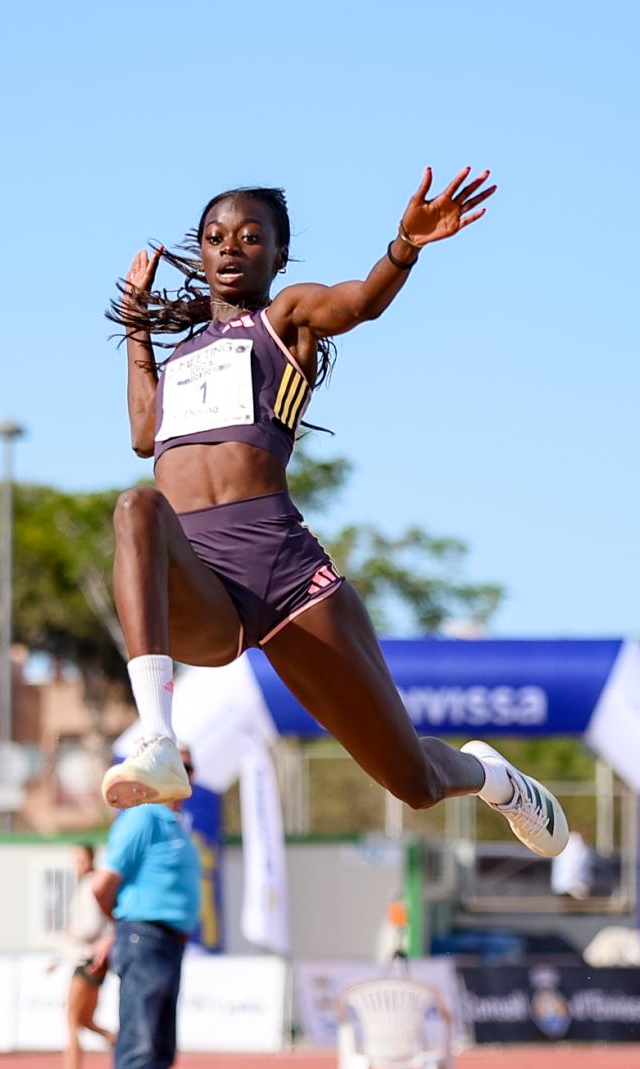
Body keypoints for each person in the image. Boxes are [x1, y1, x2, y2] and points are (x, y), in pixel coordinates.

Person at [99, 174, 566, 862]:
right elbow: (145, 434)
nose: (232, 248)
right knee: (138, 505)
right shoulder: (180, 359)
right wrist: (138, 329)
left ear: (279, 256)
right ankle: (157, 739)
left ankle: (494, 777)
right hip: (203, 585)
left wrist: (405, 245)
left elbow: (360, 303)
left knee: (415, 780)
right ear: (199, 253)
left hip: (286, 581)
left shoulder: (285, 317)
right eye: (216, 238)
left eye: (252, 237)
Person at [88, 753, 202, 1069]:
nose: (188, 776)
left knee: (159, 1043)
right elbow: (103, 885)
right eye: (181, 767)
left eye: (191, 769)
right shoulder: (143, 818)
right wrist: (122, 924)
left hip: (165, 941)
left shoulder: (172, 823)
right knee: (140, 1040)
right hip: (147, 937)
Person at [38, 843, 114, 1069]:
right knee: (85, 1020)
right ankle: (118, 1041)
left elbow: (90, 927)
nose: (77, 864)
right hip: (88, 959)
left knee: (71, 1018)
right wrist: (58, 957)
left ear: (91, 860)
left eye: (81, 859)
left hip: (88, 961)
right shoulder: (87, 886)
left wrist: (72, 931)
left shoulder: (91, 886)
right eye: (75, 859)